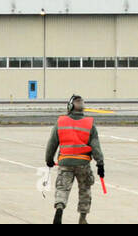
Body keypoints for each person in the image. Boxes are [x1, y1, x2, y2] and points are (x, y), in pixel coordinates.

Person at [45, 93, 105, 224]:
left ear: (70, 107)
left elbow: (52, 143)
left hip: (65, 162)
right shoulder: (89, 124)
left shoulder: (61, 122)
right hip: (83, 163)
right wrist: (100, 164)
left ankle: (59, 208)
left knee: (62, 188)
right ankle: (82, 218)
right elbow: (96, 146)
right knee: (85, 190)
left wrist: (49, 159)